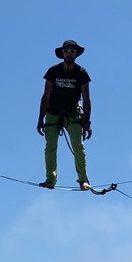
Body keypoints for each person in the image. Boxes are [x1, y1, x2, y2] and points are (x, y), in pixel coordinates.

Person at [36, 39, 93, 190]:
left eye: (72, 51)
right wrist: (40, 119)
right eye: (66, 51)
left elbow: (86, 99)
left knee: (78, 147)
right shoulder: (53, 71)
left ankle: (83, 180)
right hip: (53, 112)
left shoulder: (82, 73)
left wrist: (87, 123)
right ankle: (50, 180)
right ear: (62, 53)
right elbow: (46, 96)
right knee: (50, 146)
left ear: (76, 54)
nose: (69, 54)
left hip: (73, 113)